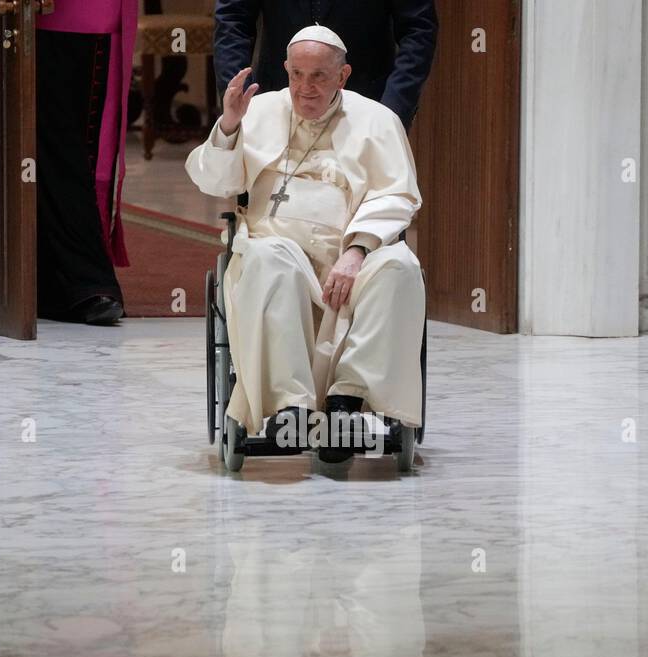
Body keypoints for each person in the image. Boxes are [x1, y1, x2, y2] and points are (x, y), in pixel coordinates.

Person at [186, 26, 425, 464]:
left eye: (318, 76)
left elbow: (398, 196)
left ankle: (346, 406)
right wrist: (229, 126)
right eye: (296, 74)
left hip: (350, 256)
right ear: (286, 71)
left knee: (401, 268)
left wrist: (357, 252)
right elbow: (212, 180)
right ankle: (289, 409)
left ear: (344, 75)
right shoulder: (256, 111)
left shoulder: (377, 120)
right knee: (268, 256)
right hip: (277, 252)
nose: (305, 87)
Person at [36, 0, 138, 326]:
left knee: (72, 152)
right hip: (21, 20)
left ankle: (86, 283)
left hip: (79, 18)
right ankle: (50, 284)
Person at [213, 0, 438, 130]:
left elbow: (418, 30)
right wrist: (243, 103)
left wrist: (393, 110)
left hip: (367, 107)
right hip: (276, 106)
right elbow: (233, 20)